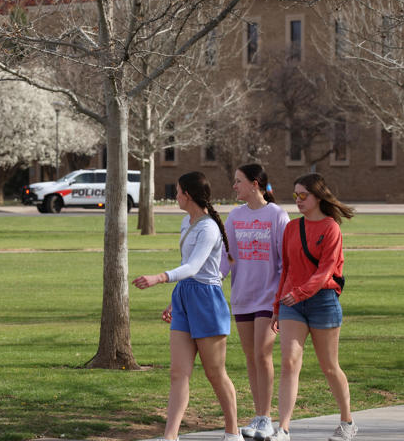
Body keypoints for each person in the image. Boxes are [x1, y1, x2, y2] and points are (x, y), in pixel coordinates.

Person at [133, 171, 243, 441]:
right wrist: (174, 299)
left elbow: (194, 267)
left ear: (188, 195)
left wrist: (159, 278)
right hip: (184, 298)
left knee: (215, 373)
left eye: (178, 192)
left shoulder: (209, 228)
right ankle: (170, 436)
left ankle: (233, 432)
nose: (176, 196)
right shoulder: (186, 222)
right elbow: (187, 268)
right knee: (178, 373)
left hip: (207, 300)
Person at [269, 173, 357, 441]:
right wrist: (277, 307)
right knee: (289, 362)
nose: (298, 200)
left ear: (318, 196)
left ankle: (347, 422)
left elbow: (326, 270)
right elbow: (287, 269)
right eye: (295, 195)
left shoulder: (331, 228)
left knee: (329, 366)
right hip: (291, 304)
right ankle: (283, 428)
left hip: (322, 302)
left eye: (303, 195)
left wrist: (300, 293)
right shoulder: (292, 228)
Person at [220, 164, 290, 440]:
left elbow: (286, 261)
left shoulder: (277, 215)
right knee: (251, 358)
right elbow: (228, 258)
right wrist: (213, 281)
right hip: (242, 297)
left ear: (255, 183)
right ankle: (258, 416)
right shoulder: (235, 216)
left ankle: (266, 417)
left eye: (238, 181)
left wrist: (281, 299)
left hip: (269, 298)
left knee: (263, 354)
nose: (234, 186)